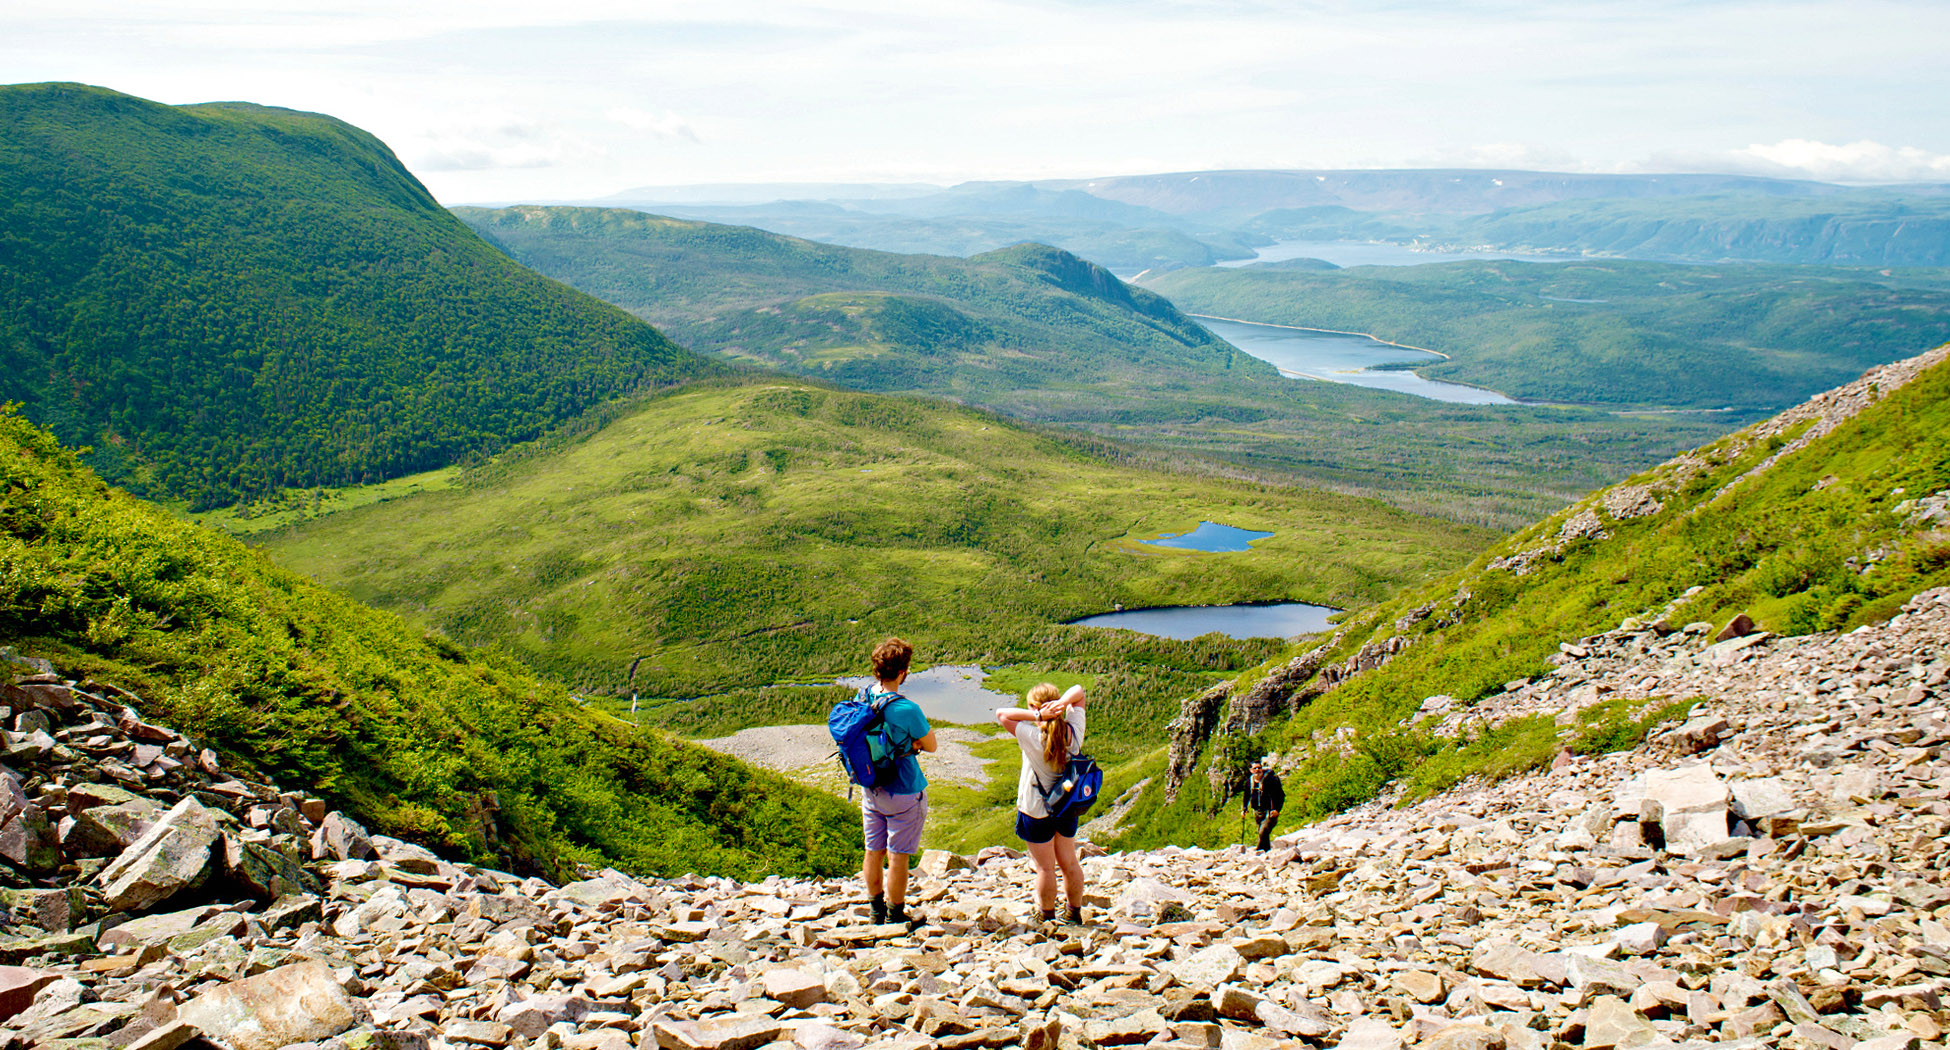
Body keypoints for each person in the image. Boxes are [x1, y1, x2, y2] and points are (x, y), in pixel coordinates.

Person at [996, 682, 1089, 926]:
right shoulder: (1074, 731)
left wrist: (1037, 715)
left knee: (1045, 868)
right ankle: (1073, 912)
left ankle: (1046, 916)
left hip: (1035, 809)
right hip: (1067, 807)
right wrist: (1063, 704)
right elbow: (1079, 691)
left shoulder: (1032, 735)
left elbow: (1001, 714)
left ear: (1037, 708)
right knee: (1069, 861)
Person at [859, 638, 936, 926]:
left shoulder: (865, 696)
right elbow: (931, 745)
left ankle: (875, 911)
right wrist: (912, 743)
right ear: (903, 672)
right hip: (904, 789)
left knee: (873, 849)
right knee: (898, 855)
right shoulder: (907, 709)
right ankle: (895, 914)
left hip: (871, 786)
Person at [1244, 757, 1284, 852]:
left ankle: (1259, 849)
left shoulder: (1271, 780)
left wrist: (1277, 809)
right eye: (1255, 768)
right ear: (1251, 770)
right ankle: (1267, 851)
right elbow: (1246, 795)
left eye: (1259, 768)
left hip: (1270, 811)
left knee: (1263, 830)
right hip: (1257, 811)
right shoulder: (1249, 782)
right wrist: (1244, 808)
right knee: (1261, 832)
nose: (1257, 770)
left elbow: (1280, 795)